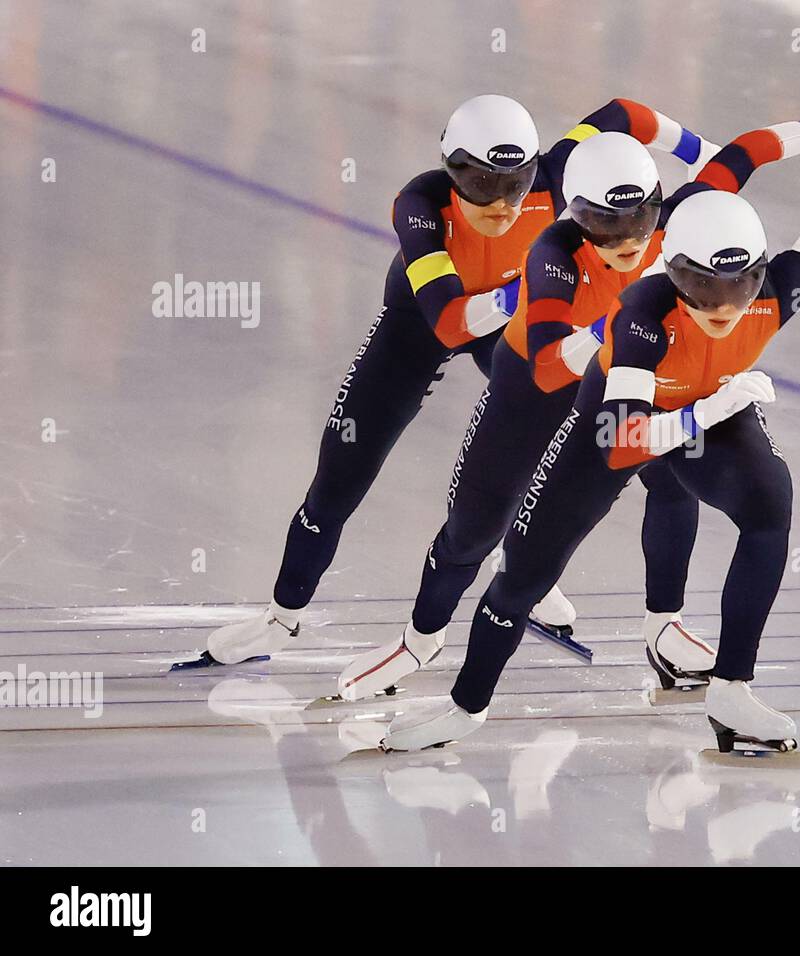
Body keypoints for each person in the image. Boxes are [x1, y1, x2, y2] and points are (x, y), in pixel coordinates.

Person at [381, 183, 800, 754]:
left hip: (709, 410)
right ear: (673, 277)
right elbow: (623, 443)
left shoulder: (781, 289)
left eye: (738, 288)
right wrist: (705, 412)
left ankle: (731, 691)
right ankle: (465, 708)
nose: (722, 306)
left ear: (760, 274)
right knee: (522, 576)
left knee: (771, 502)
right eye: (702, 289)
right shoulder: (643, 313)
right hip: (616, 423)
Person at [336, 115, 800, 702]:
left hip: (629, 377)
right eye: (601, 224)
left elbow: (748, 151)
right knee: (473, 532)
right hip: (538, 388)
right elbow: (545, 367)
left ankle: (663, 626)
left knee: (671, 480)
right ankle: (420, 638)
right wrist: (609, 330)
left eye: (639, 219)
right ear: (574, 216)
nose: (625, 240)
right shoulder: (554, 256)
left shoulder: (682, 219)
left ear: (659, 204)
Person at [182, 94, 719, 669]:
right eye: (483, 187)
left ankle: (530, 571)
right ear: (451, 171)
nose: (504, 203)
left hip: (506, 331)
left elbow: (624, 115)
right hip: (425, 322)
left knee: (577, 437)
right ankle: (280, 617)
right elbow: (448, 320)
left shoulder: (561, 170)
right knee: (342, 469)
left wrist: (703, 155)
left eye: (517, 183)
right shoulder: (420, 203)